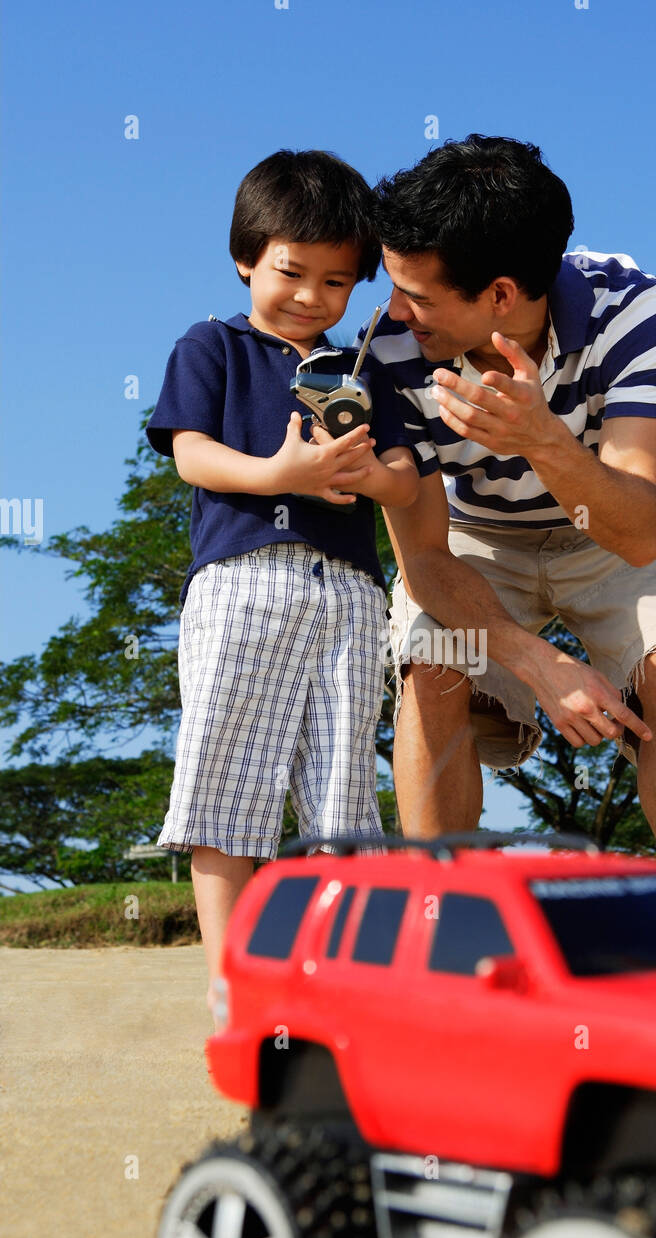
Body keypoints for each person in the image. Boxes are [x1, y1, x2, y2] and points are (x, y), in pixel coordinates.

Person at [364, 134, 656, 884]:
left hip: (611, 527)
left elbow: (637, 533)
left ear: (499, 294)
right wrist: (535, 662)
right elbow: (424, 559)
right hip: (475, 538)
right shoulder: (390, 351)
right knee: (434, 660)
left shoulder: (635, 308)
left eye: (419, 295)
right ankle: (440, 920)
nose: (396, 311)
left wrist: (541, 440)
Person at [147, 150, 418, 1015]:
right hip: (239, 581)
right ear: (246, 257)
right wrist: (282, 474)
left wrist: (367, 477)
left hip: (347, 591)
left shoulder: (363, 366)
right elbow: (190, 452)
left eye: (336, 281)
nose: (310, 296)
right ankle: (234, 994)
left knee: (342, 798)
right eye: (290, 271)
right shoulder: (211, 343)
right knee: (223, 787)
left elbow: (406, 477)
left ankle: (351, 994)